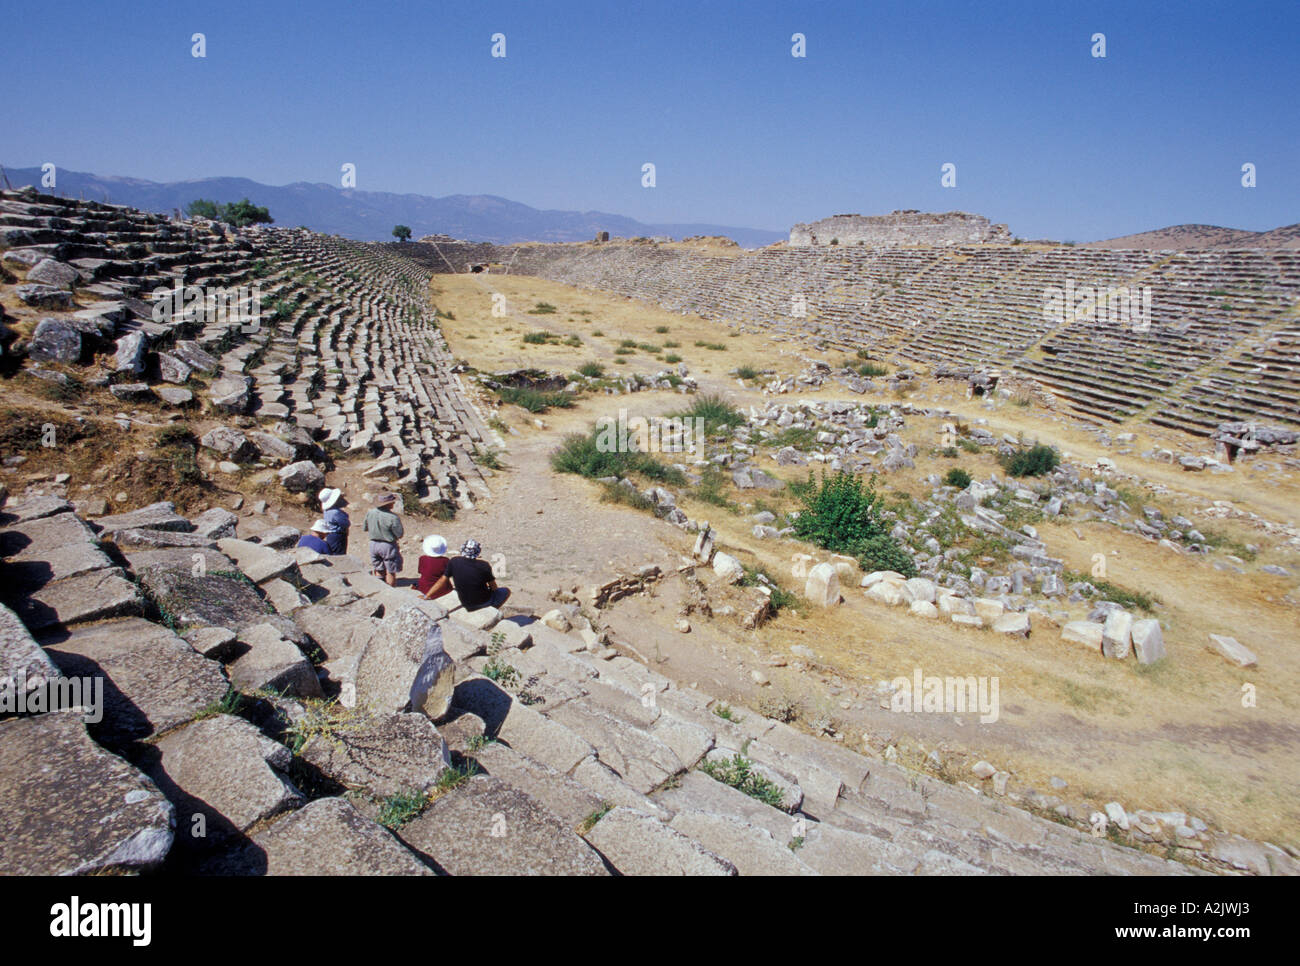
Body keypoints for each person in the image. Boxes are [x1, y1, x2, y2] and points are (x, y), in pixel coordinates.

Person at [427, 538, 510, 612]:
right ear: (477, 552)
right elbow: (494, 587)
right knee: (505, 591)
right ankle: (490, 609)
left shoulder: (454, 561)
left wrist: (427, 595)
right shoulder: (484, 565)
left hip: (465, 602)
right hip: (482, 601)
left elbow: (442, 580)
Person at [363, 492, 404, 586]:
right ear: (388, 504)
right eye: (392, 502)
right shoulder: (393, 517)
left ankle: (379, 587)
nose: (394, 503)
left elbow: (365, 528)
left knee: (379, 568)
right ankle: (391, 590)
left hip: (373, 544)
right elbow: (399, 534)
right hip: (388, 545)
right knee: (391, 571)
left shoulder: (370, 513)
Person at [417, 534, 452, 599]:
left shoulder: (422, 558)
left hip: (423, 587)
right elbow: (447, 576)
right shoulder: (446, 561)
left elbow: (420, 571)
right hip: (439, 590)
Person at [318, 487, 350, 556]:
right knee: (339, 555)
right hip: (338, 535)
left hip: (330, 535)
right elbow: (346, 523)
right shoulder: (335, 512)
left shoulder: (326, 511)